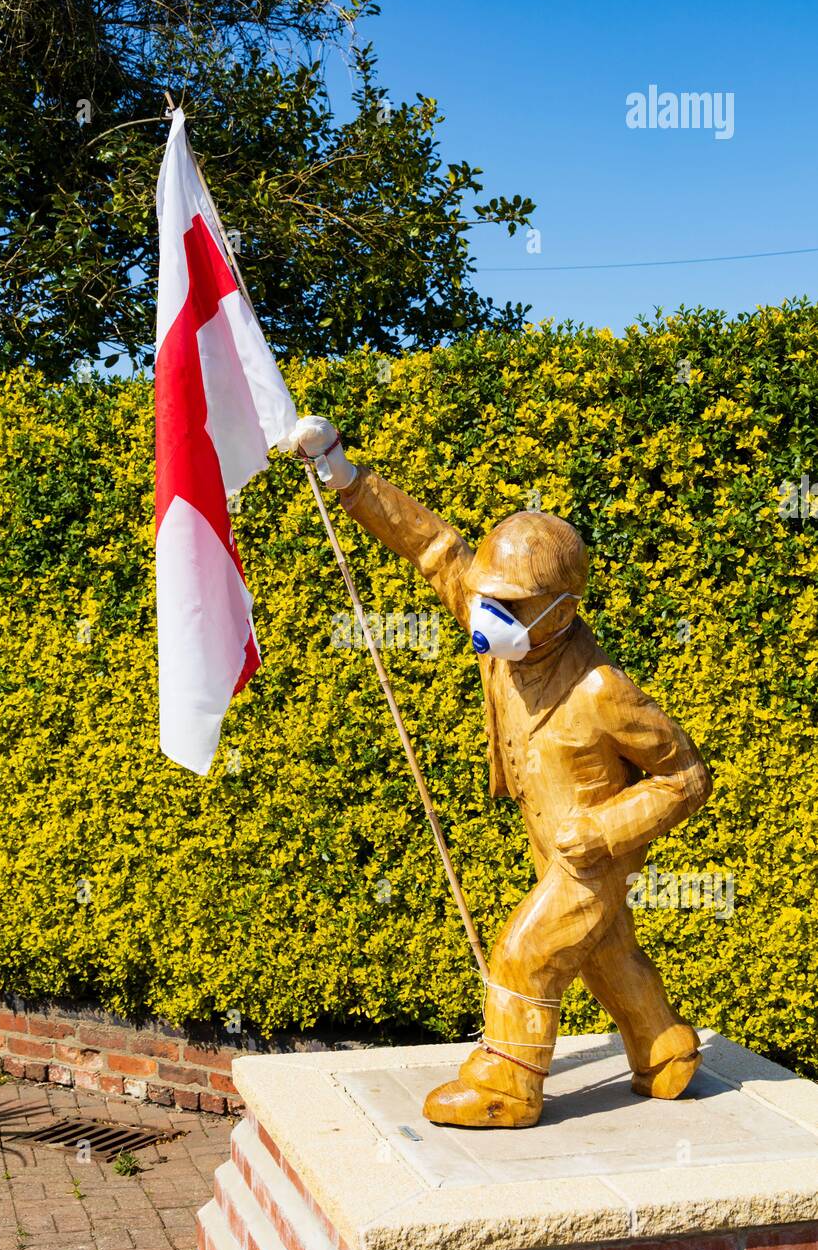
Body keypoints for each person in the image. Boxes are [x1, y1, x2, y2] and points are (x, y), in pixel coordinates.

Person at [287, 416, 713, 1129]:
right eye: (486, 598)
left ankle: (508, 1086)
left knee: (527, 952)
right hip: (543, 836)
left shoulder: (603, 691)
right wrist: (345, 477)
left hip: (591, 851)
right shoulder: (504, 633)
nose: (485, 617)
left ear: (563, 608)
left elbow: (687, 777)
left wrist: (606, 830)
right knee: (607, 950)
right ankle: (664, 1048)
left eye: (507, 605)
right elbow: (433, 546)